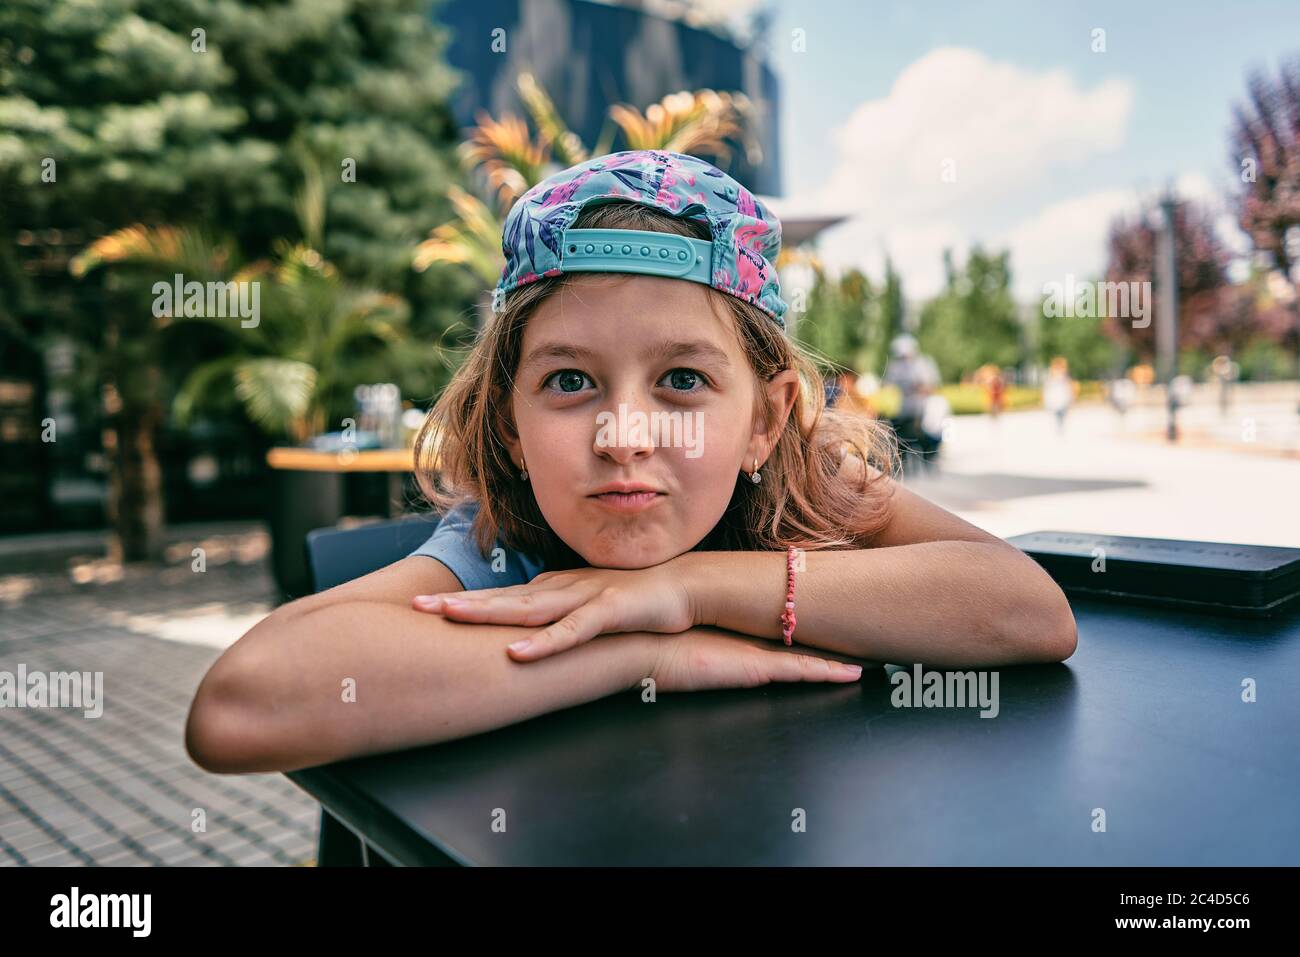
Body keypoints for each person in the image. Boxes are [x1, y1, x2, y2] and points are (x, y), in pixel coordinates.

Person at [186, 150, 1077, 773]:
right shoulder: (504, 550)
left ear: (766, 423)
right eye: (570, 379)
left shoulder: (818, 489)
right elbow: (238, 707)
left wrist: (691, 588)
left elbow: (1028, 612)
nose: (624, 435)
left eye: (682, 378)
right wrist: (635, 651)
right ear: (507, 427)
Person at [882, 334, 940, 473]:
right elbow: (887, 384)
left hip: (922, 409)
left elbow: (931, 387)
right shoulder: (896, 366)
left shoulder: (923, 364)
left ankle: (929, 461)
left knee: (923, 437)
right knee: (902, 438)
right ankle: (905, 466)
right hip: (904, 410)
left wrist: (918, 388)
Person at [1042, 357, 1075, 434]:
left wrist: (1071, 397)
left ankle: (1060, 427)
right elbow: (1046, 388)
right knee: (1057, 414)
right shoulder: (1051, 377)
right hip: (1055, 399)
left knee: (1063, 414)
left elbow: (1070, 387)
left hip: (1063, 398)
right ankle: (1059, 427)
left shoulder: (1065, 377)